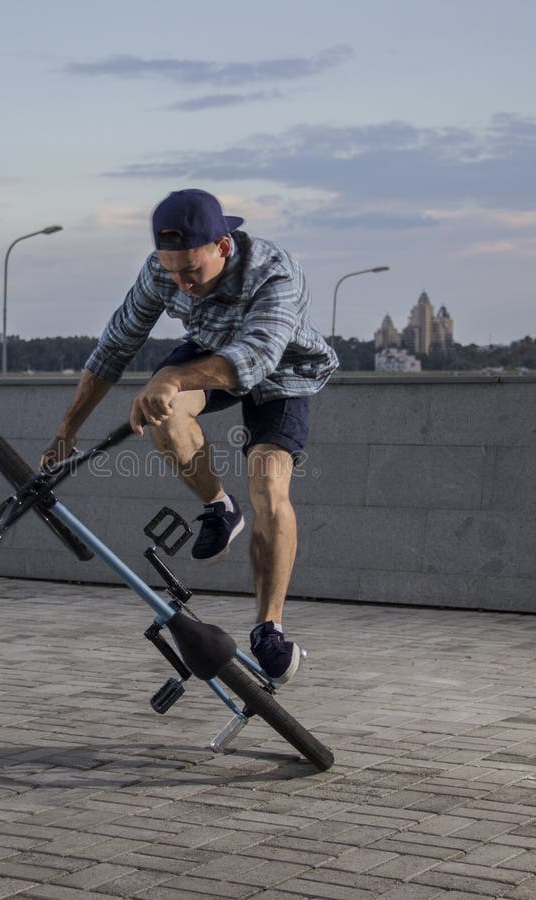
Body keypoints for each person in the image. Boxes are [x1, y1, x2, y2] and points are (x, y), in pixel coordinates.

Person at [41, 189, 338, 683]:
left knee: (268, 485)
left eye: (192, 272)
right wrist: (67, 430)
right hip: (209, 350)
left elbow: (256, 359)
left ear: (222, 246)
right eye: (172, 271)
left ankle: (269, 628)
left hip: (282, 371)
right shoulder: (162, 270)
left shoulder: (276, 272)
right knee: (163, 411)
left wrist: (172, 377)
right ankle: (219, 506)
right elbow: (116, 345)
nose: (182, 284)